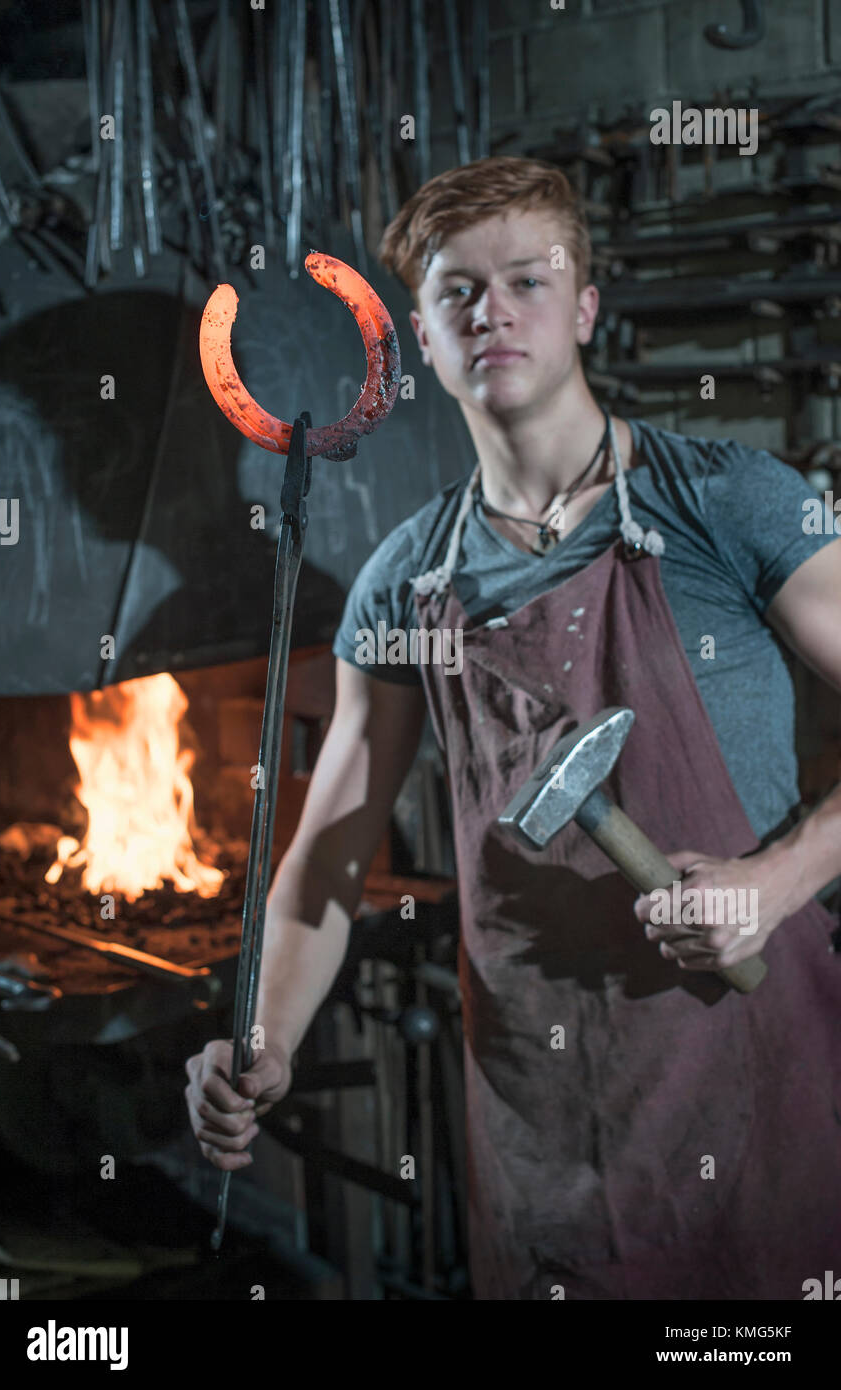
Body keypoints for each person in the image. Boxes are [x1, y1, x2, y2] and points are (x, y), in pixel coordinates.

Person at [185, 156, 841, 1300]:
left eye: (526, 281)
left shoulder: (726, 499)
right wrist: (268, 1033)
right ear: (423, 346)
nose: (491, 310)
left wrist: (779, 879)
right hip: (542, 1109)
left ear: (585, 308)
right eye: (456, 294)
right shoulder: (404, 585)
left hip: (749, 1065)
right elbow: (329, 858)